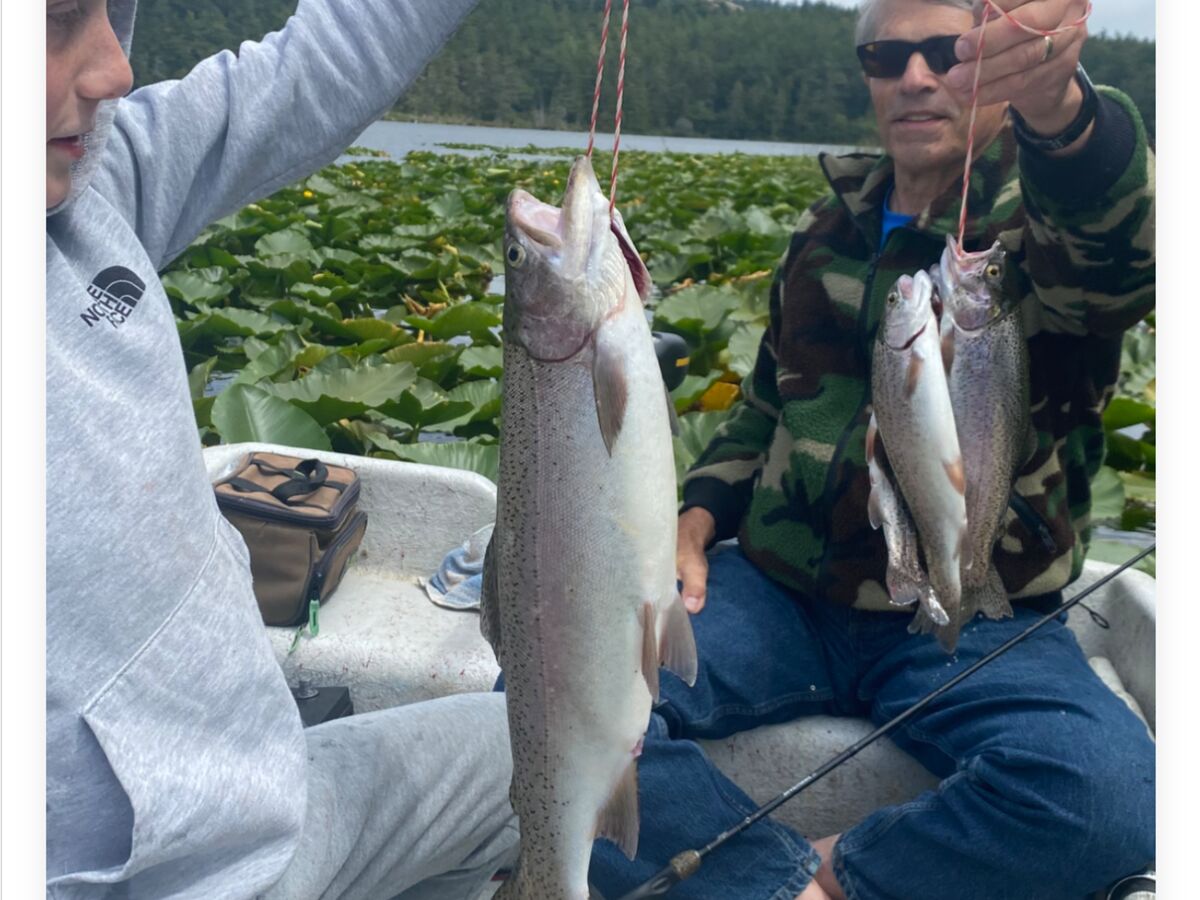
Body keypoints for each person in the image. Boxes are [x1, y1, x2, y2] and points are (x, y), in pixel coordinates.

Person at [589, 0, 1155, 898]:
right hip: (782, 597)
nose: (915, 77)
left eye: (946, 53)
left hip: (970, 610)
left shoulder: (1039, 230)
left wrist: (1063, 110)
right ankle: (773, 883)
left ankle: (832, 880)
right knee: (564, 692)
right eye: (889, 58)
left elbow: (1117, 257)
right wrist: (692, 522)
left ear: (995, 70)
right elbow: (765, 403)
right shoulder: (825, 226)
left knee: (1115, 797)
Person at [46, 2, 520, 898]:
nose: (114, 68)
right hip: (164, 879)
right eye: (59, 20)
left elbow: (308, 68)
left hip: (272, 792)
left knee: (531, 757)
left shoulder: (88, 183)